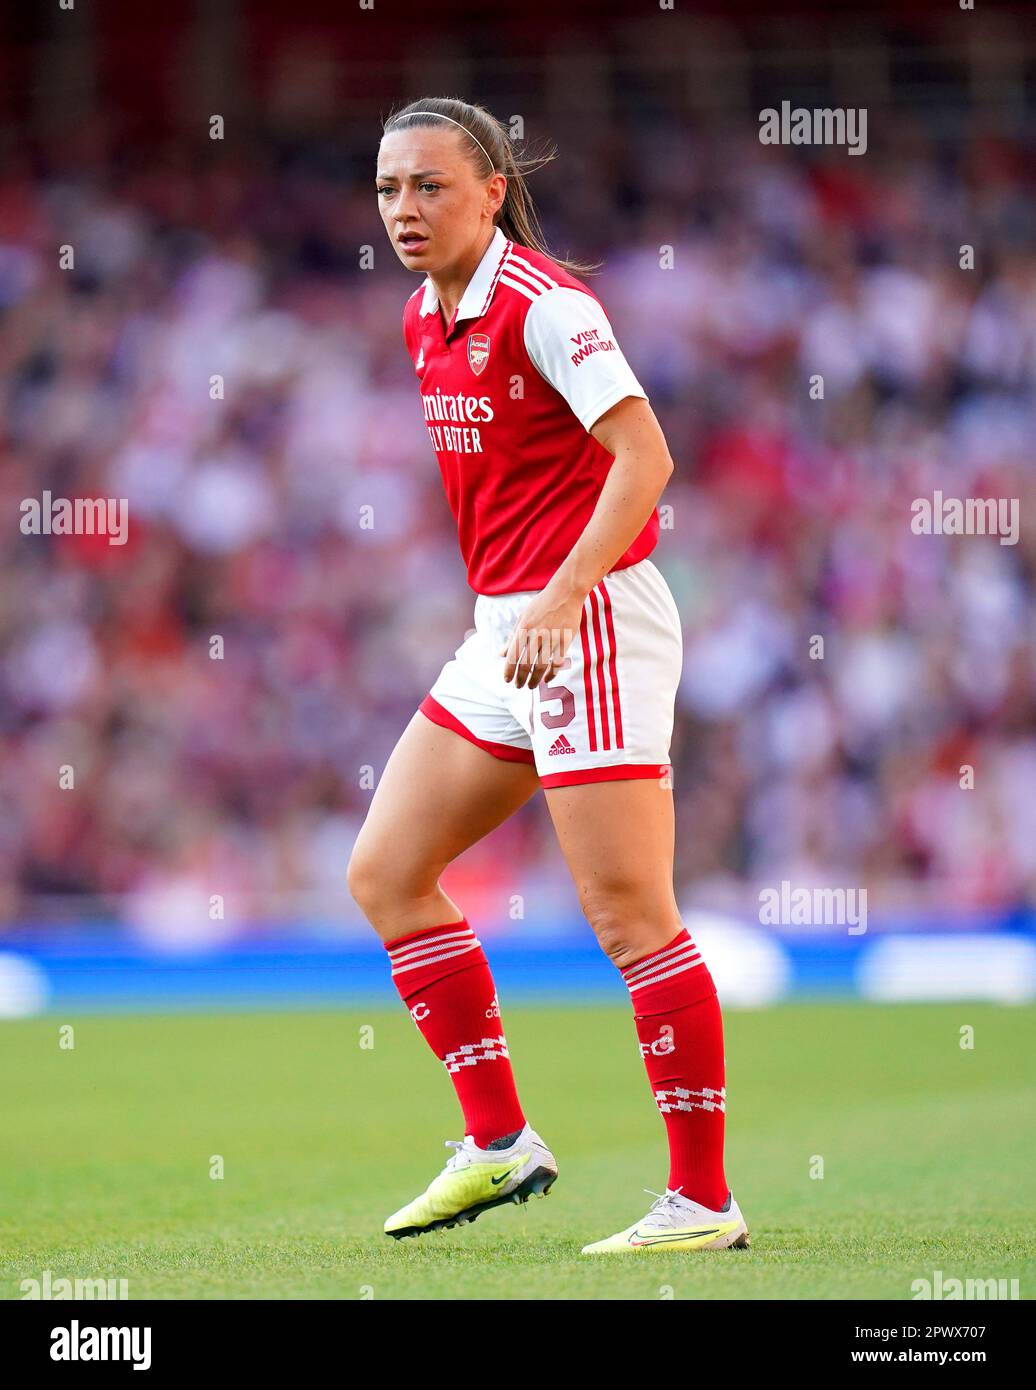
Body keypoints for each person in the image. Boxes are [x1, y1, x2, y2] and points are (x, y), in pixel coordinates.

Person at [348, 96, 749, 1254]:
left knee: (628, 915)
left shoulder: (546, 306)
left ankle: (703, 1199)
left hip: (593, 617)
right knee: (387, 871)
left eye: (429, 185)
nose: (405, 210)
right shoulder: (422, 316)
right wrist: (517, 604)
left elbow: (646, 455)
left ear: (490, 189)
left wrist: (561, 596)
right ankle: (499, 1142)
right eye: (387, 190)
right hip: (506, 630)